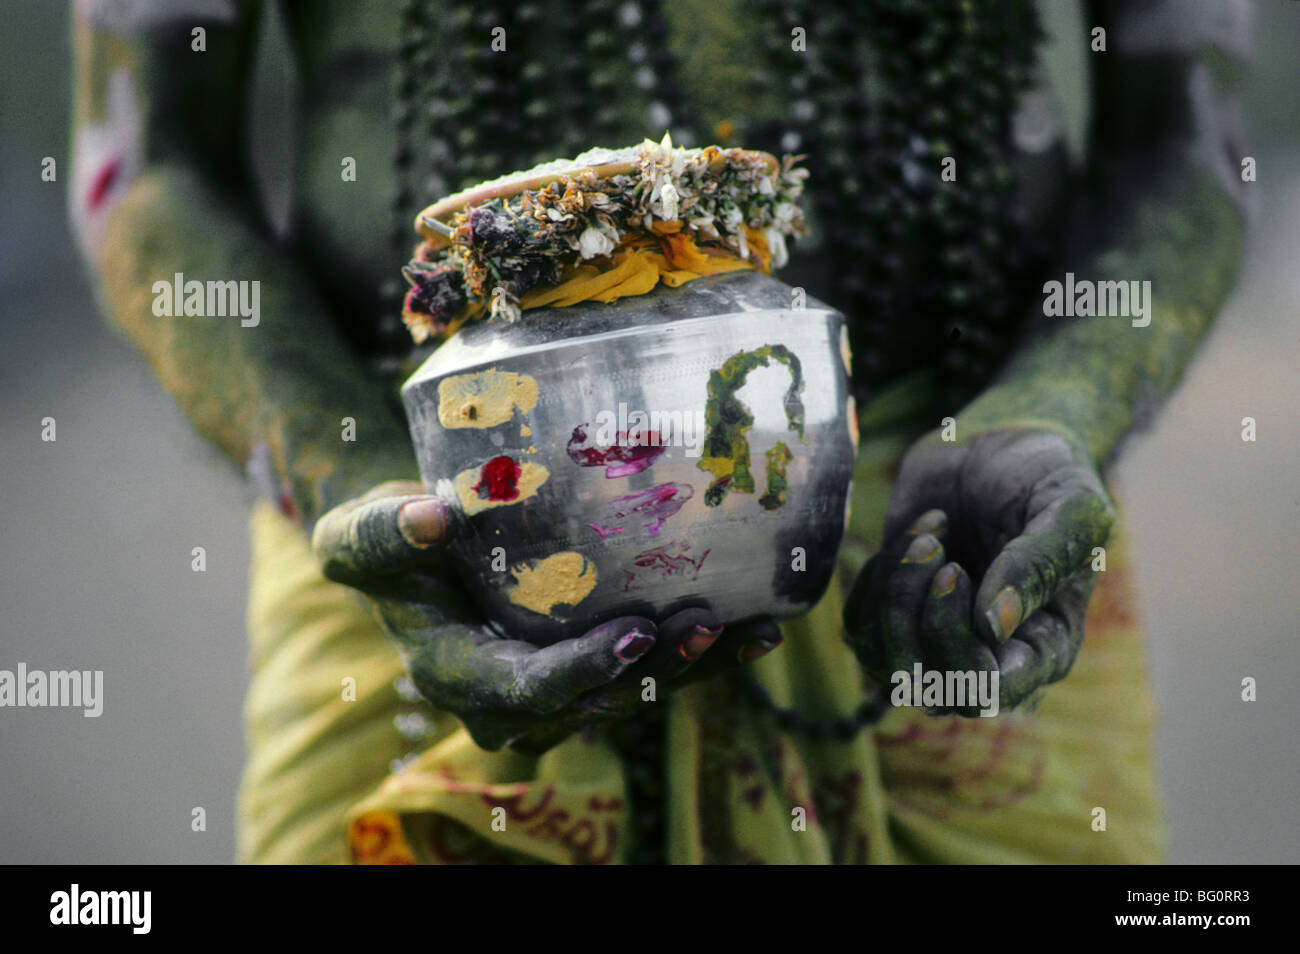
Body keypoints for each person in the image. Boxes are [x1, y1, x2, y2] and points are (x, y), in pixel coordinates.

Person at [72, 0, 1251, 863]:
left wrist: (1066, 403)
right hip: (421, 539)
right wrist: (366, 484)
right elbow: (149, 163)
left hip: (948, 533)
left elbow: (1186, 137)